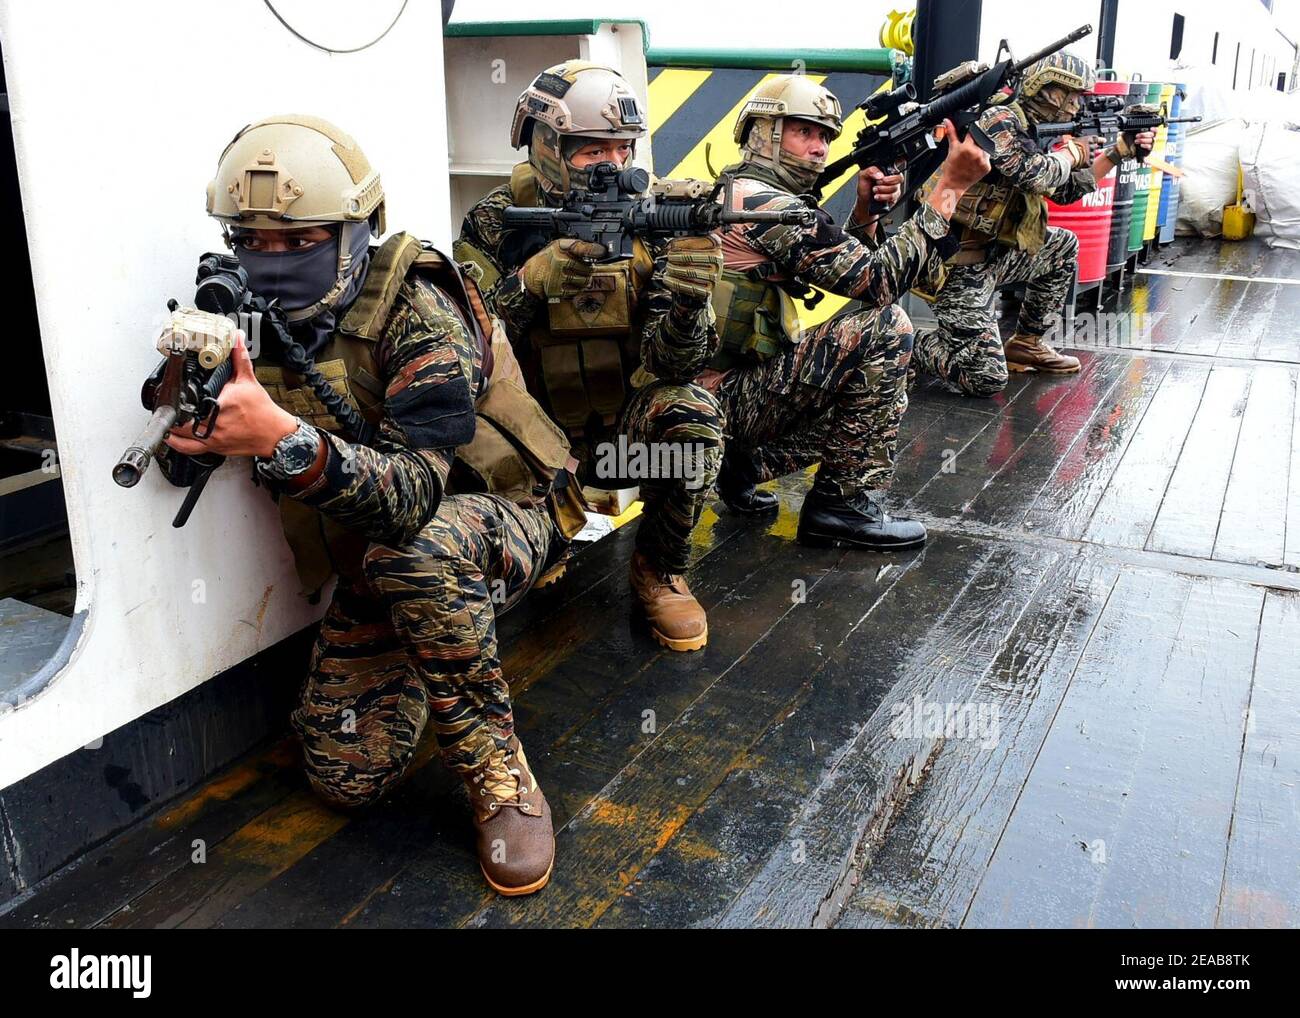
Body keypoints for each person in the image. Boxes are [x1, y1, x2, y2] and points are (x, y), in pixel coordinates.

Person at [162, 115, 586, 896]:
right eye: (253, 242)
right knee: (343, 776)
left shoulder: (419, 306)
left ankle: (498, 767)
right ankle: (436, 646)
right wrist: (199, 428)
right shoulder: (246, 314)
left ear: (358, 231)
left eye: (301, 242)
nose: (274, 262)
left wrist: (280, 439)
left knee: (416, 549)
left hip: (508, 513)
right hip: (387, 566)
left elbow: (413, 499)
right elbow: (187, 450)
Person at [456, 60, 725, 653]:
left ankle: (658, 569)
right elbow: (463, 355)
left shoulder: (653, 222)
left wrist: (688, 304)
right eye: (590, 150)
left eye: (622, 149)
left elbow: (676, 366)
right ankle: (540, 538)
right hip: (532, 450)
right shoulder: (495, 223)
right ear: (546, 145)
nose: (612, 165)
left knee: (692, 412)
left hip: (616, 451)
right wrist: (529, 283)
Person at [704, 74, 991, 549]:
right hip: (714, 402)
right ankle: (838, 505)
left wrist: (865, 214)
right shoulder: (767, 207)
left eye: (824, 137)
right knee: (886, 334)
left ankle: (743, 464)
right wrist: (950, 188)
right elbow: (878, 284)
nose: (819, 148)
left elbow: (851, 275)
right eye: (804, 132)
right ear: (765, 133)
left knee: (871, 366)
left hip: (722, 389)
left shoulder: (743, 193)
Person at [910, 52, 1156, 396]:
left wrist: (1115, 153)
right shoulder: (998, 118)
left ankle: (1027, 342)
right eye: (1068, 95)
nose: (1074, 106)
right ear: (1044, 88)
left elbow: (1066, 191)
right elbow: (1034, 174)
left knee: (1062, 245)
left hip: (992, 257)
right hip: (952, 268)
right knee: (985, 378)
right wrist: (1072, 153)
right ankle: (902, 344)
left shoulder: (1030, 132)